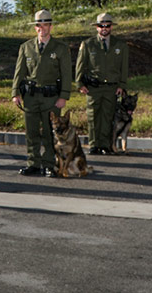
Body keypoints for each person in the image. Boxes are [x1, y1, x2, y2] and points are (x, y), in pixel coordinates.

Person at [11, 10, 72, 177]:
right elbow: (19, 72)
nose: (42, 28)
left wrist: (63, 96)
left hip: (51, 97)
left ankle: (49, 164)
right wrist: (15, 93)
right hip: (31, 96)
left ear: (50, 27)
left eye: (45, 25)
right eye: (39, 25)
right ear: (35, 27)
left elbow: (66, 74)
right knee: (31, 132)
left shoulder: (60, 48)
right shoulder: (26, 47)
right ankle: (33, 163)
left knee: (49, 132)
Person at [75, 13, 129, 155]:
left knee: (108, 116)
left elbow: (124, 68)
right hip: (94, 87)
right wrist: (79, 83)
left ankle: (105, 145)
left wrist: (122, 85)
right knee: (93, 116)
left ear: (111, 27)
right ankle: (94, 145)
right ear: (96, 27)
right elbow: (80, 65)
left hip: (111, 87)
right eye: (101, 26)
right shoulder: (88, 44)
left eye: (107, 26)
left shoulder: (120, 45)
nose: (104, 28)